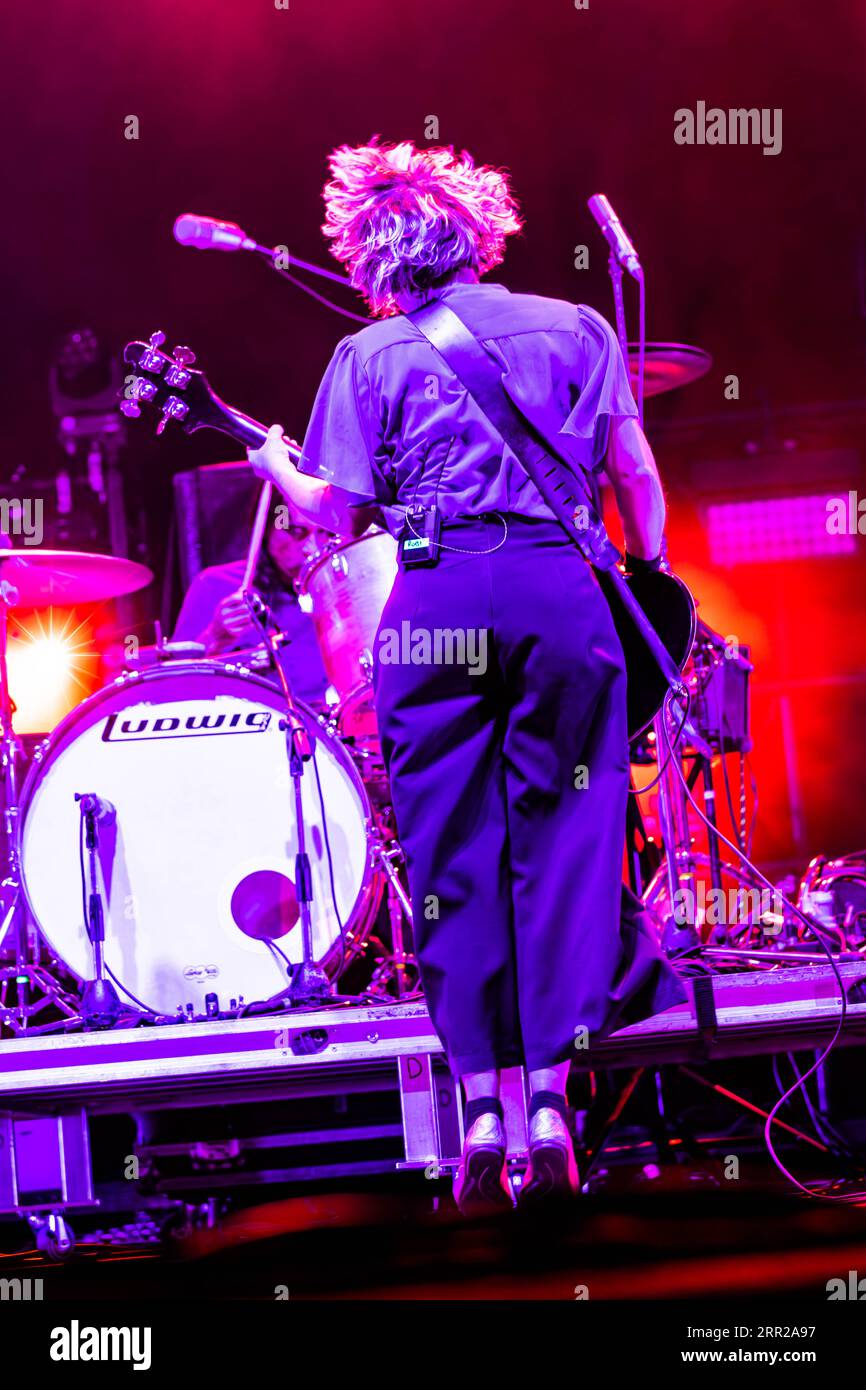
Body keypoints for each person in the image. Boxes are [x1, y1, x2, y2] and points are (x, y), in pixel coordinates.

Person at [248, 137, 687, 1213]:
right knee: (564, 845)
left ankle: (478, 1109)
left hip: (437, 607)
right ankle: (549, 1105)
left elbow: (333, 514)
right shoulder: (578, 327)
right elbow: (635, 477)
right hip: (558, 596)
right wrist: (643, 580)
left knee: (452, 853)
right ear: (478, 230)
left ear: (374, 249)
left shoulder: (368, 358)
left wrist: (275, 469)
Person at [172, 495, 331, 706]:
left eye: (324, 533)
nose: (311, 548)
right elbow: (172, 682)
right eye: (295, 532)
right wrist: (213, 637)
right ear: (266, 529)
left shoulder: (343, 587)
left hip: (332, 731)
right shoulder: (216, 585)